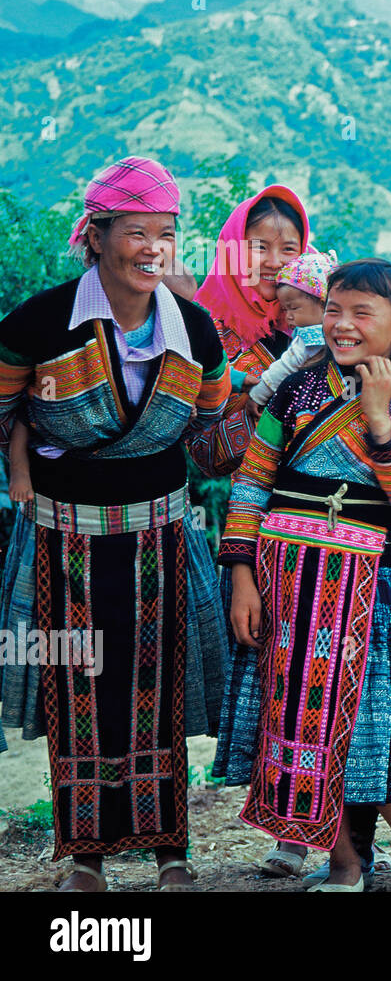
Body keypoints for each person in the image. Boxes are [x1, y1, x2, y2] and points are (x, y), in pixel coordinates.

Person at [0, 156, 231, 890]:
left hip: (161, 534)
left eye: (165, 233)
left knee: (157, 691)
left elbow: (212, 431)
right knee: (78, 686)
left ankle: (170, 850)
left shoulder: (193, 328)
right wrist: (22, 478)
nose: (152, 249)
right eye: (136, 232)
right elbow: (2, 411)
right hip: (60, 537)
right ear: (95, 235)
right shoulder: (37, 323)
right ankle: (86, 858)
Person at [220, 259, 391, 892]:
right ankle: (345, 861)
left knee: (376, 724)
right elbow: (251, 483)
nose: (342, 324)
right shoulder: (296, 394)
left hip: (371, 588)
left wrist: (382, 422)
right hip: (289, 583)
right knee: (304, 722)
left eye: (362, 312)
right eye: (333, 309)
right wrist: (242, 575)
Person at [190, 185, 315, 879]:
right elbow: (208, 452)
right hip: (258, 527)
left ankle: (339, 831)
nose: (272, 261)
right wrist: (258, 384)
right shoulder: (210, 330)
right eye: (258, 245)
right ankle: (291, 830)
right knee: (282, 678)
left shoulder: (326, 322)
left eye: (288, 248)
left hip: (339, 525)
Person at [247, 248, 336, 408]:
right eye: (284, 309)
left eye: (293, 308)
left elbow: (285, 367)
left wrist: (257, 395)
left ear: (323, 304)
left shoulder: (309, 337)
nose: (288, 316)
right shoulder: (338, 332)